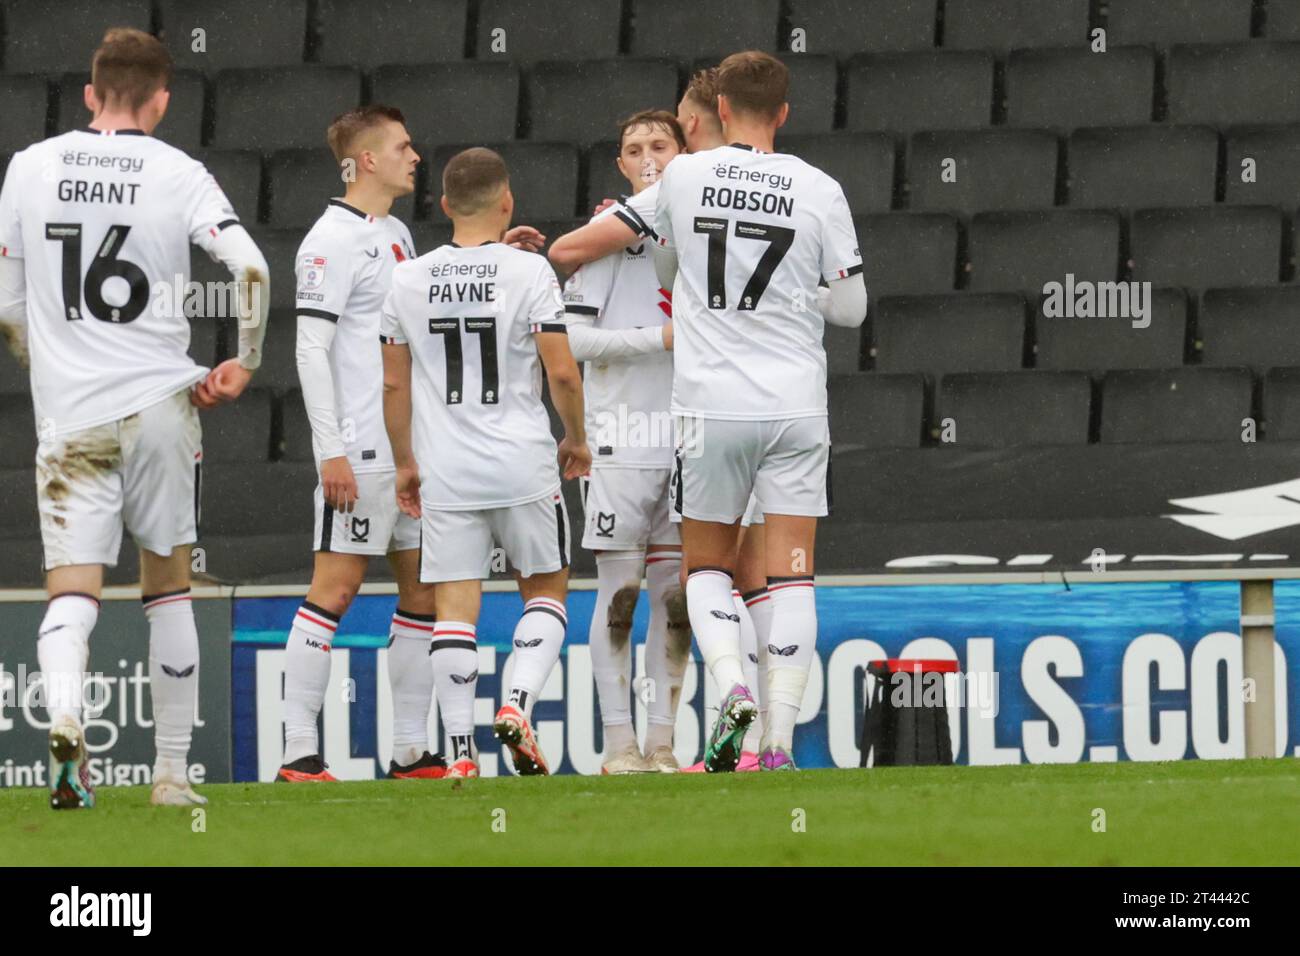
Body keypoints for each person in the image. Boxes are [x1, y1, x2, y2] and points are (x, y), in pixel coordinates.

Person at [0, 28, 269, 807]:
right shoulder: (177, 170)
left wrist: (45, 368)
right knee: (169, 590)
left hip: (71, 414)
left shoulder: (28, 167)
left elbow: (8, 304)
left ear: (89, 94)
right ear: (161, 100)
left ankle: (65, 722)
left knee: (73, 595)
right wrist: (244, 362)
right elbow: (249, 266)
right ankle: (173, 775)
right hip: (159, 403)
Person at [653, 51, 868, 772]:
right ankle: (777, 739)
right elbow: (852, 308)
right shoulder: (818, 187)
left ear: (716, 113)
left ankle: (732, 683)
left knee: (707, 567)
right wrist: (795, 296)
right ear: (783, 112)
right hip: (795, 406)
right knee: (792, 575)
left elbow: (666, 269)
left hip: (709, 405)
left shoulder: (683, 176)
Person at [381, 147, 590, 778]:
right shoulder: (530, 274)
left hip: (446, 466)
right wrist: (576, 437)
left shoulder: (407, 278)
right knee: (547, 590)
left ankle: (461, 756)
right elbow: (562, 371)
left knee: (453, 606)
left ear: (444, 206)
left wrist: (403, 463)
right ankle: (519, 705)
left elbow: (393, 386)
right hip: (522, 460)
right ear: (507, 202)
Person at [277, 105, 447, 783]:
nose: (416, 156)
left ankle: (409, 750)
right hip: (360, 447)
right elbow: (310, 349)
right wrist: (331, 451)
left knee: (423, 589)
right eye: (404, 147)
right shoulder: (328, 241)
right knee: (338, 588)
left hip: (410, 448)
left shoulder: (398, 233)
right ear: (368, 160)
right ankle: (296, 751)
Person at [548, 110, 686, 774]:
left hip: (689, 437)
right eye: (635, 148)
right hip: (621, 439)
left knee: (677, 600)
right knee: (620, 595)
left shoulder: (703, 231)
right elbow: (573, 342)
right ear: (622, 166)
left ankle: (662, 743)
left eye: (660, 143)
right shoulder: (602, 243)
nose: (649, 155)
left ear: (684, 152)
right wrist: (657, 340)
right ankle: (618, 744)